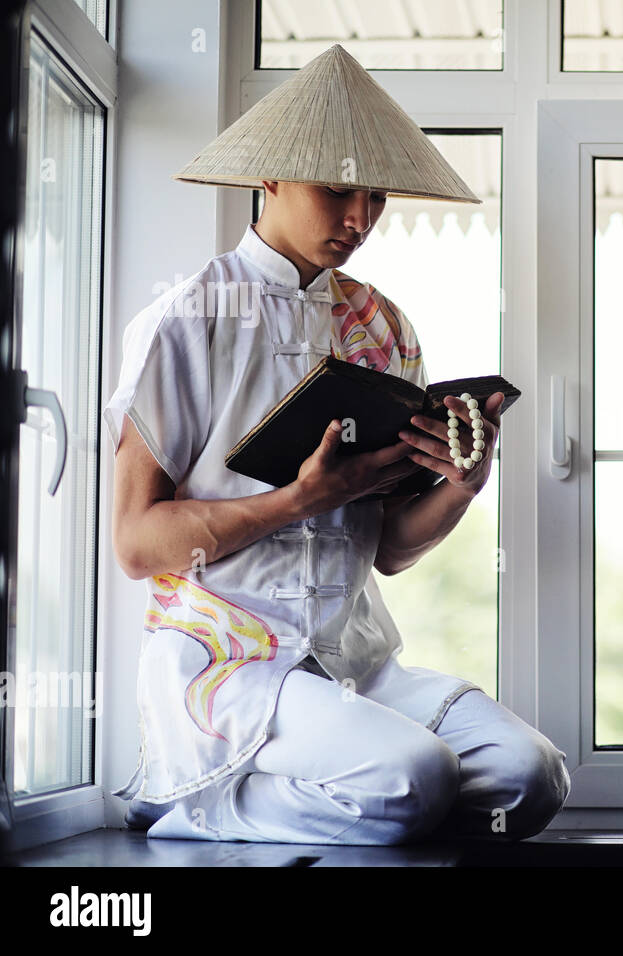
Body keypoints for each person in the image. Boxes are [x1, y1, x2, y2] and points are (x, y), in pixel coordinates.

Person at [105, 44, 569, 844]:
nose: (359, 218)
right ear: (271, 178)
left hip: (357, 660)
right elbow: (138, 546)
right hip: (231, 661)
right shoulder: (186, 320)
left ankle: (361, 802)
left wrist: (461, 484)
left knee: (529, 776)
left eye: (376, 196)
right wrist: (298, 501)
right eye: (337, 191)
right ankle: (195, 806)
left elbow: (387, 549)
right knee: (416, 776)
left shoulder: (385, 329)